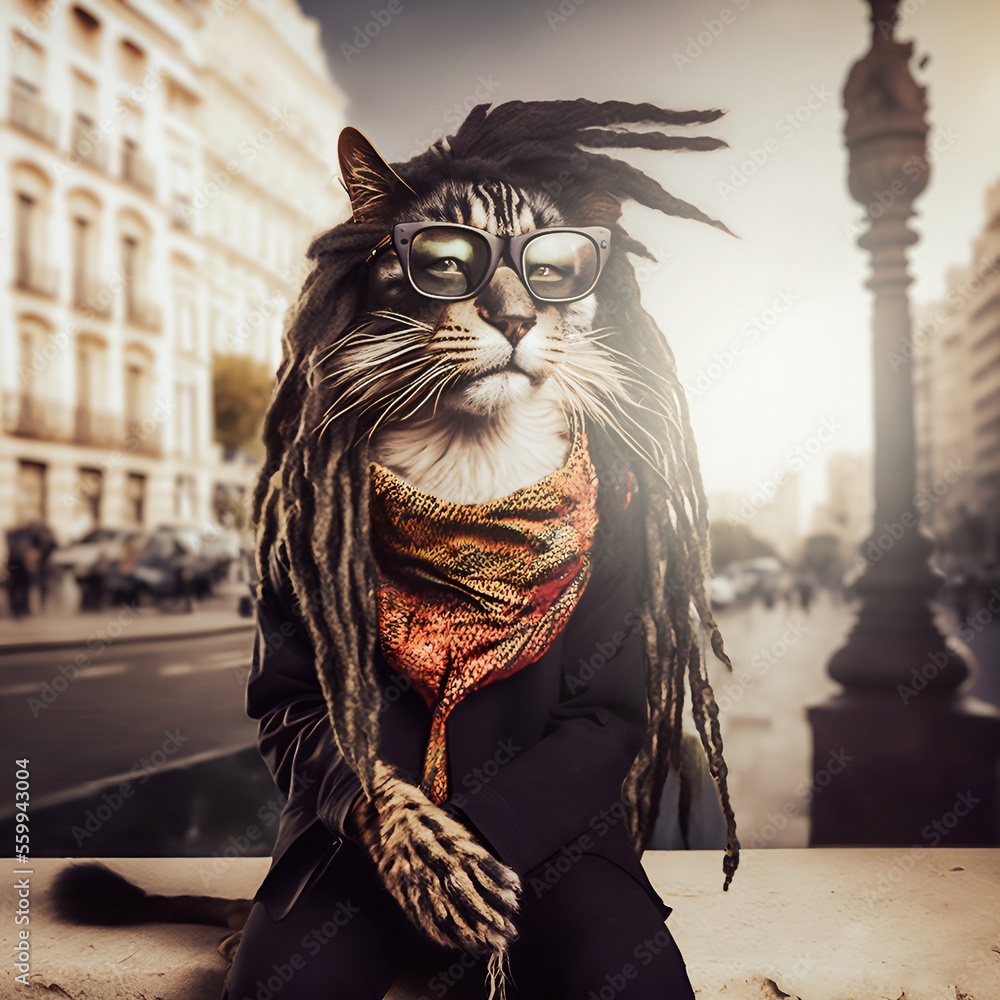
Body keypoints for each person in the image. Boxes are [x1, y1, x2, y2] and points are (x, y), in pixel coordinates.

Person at [225, 100, 740, 1000]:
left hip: (555, 840)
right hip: (359, 843)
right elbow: (288, 704)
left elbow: (609, 718)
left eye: (550, 270)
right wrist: (381, 813)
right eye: (447, 263)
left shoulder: (610, 496)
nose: (509, 310)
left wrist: (483, 837)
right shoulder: (316, 504)